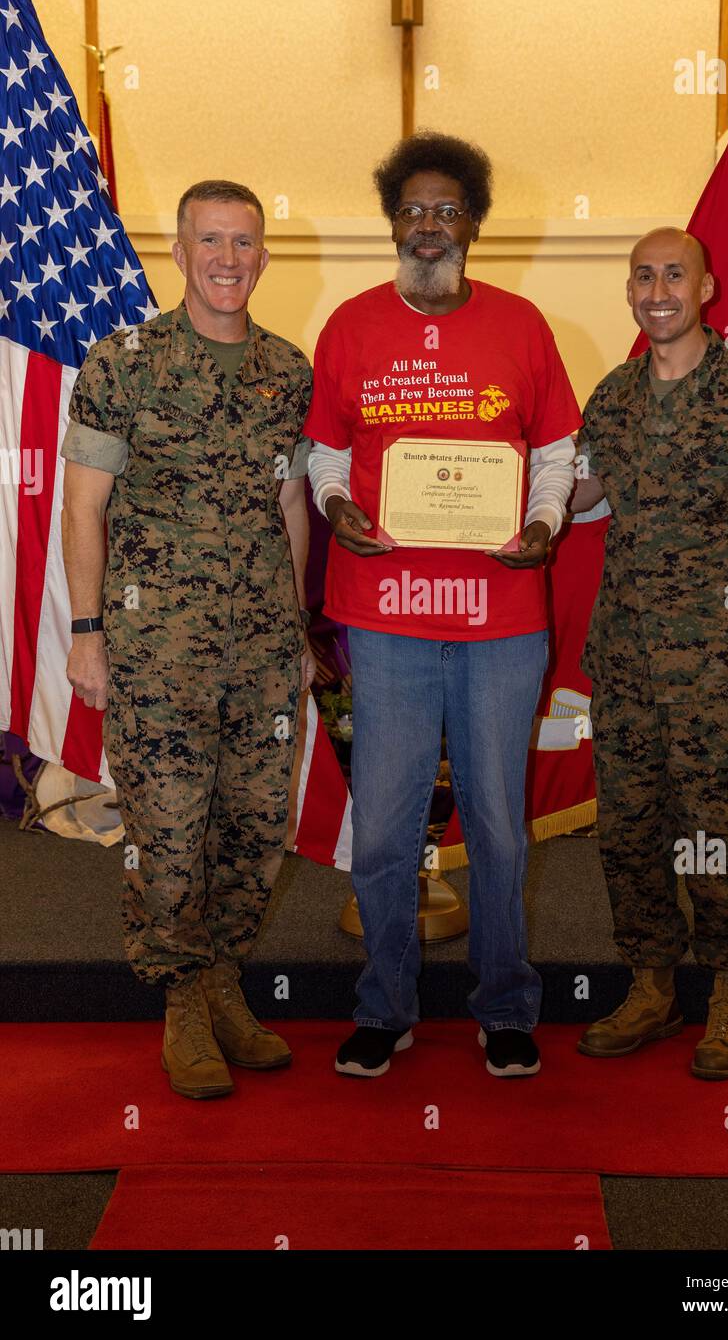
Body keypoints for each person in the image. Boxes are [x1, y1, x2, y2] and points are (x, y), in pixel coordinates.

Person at [304, 132, 579, 1079]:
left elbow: (553, 453)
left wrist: (544, 521)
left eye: (447, 209)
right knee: (383, 821)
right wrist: (336, 506)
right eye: (413, 210)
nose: (429, 225)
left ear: (473, 224)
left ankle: (505, 1005)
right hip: (385, 610)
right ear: (392, 222)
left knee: (499, 820)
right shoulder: (347, 326)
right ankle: (385, 1005)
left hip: (500, 614)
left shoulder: (522, 324)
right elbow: (325, 452)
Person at [60, 180, 315, 1099]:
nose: (227, 260)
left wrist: (297, 632)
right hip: (154, 648)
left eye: (244, 243)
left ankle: (223, 983)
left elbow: (290, 505)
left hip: (259, 655)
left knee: (253, 828)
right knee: (169, 832)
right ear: (177, 251)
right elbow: (82, 509)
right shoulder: (120, 362)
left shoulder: (288, 371)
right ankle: (179, 1001)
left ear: (262, 256)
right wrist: (87, 633)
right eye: (210, 241)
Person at [572, 227, 728, 1080]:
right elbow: (578, 497)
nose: (656, 289)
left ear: (705, 287)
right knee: (630, 833)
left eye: (673, 273)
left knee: (721, 834)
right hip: (627, 659)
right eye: (641, 276)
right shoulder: (612, 397)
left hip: (719, 664)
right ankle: (649, 984)